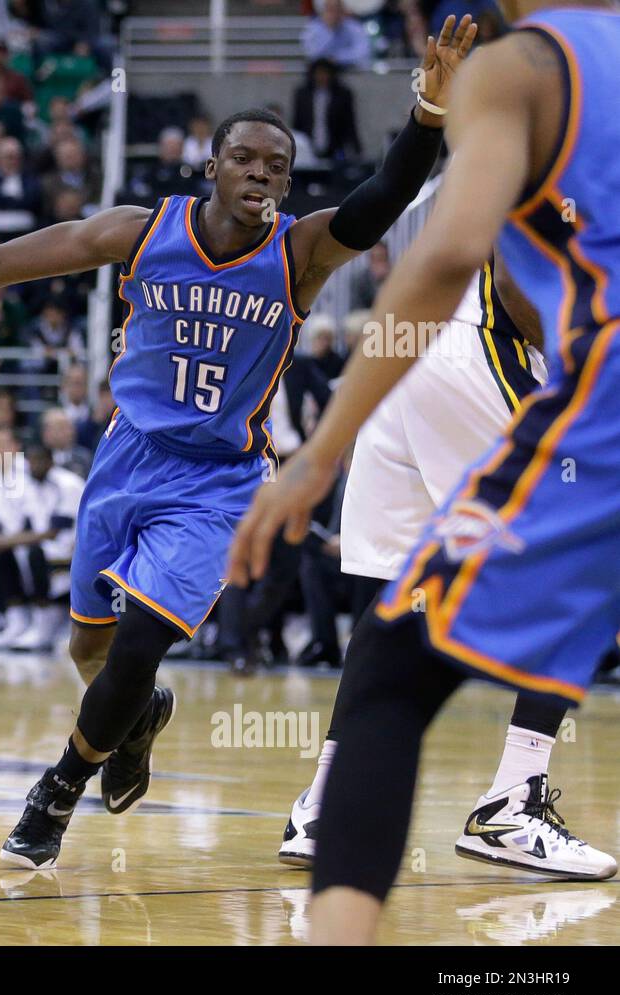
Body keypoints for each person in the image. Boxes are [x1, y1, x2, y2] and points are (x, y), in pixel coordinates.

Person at [0, 17, 476, 870]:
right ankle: (135, 720)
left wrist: (429, 110)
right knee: (90, 652)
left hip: (221, 480)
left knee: (140, 636)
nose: (261, 174)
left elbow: (381, 200)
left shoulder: (301, 252)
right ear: (212, 167)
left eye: (277, 166)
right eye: (245, 158)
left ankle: (56, 791)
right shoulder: (141, 231)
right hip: (126, 457)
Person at [227, 1, 620, 943]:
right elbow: (463, 256)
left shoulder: (523, 66)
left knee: (399, 622)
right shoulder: (540, 66)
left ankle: (324, 805)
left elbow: (443, 245)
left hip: (410, 361)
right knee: (551, 590)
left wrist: (319, 454)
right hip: (482, 351)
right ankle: (513, 800)